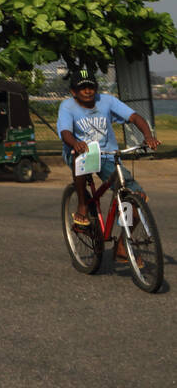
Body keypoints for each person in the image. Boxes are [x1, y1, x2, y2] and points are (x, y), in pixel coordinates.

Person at [60, 70, 161, 263]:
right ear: (74, 91)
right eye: (82, 88)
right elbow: (65, 132)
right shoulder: (67, 106)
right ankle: (82, 206)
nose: (88, 91)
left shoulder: (107, 101)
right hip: (79, 151)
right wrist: (75, 143)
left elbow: (135, 117)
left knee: (135, 197)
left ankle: (123, 245)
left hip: (107, 155)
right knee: (81, 157)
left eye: (91, 87)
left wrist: (147, 136)